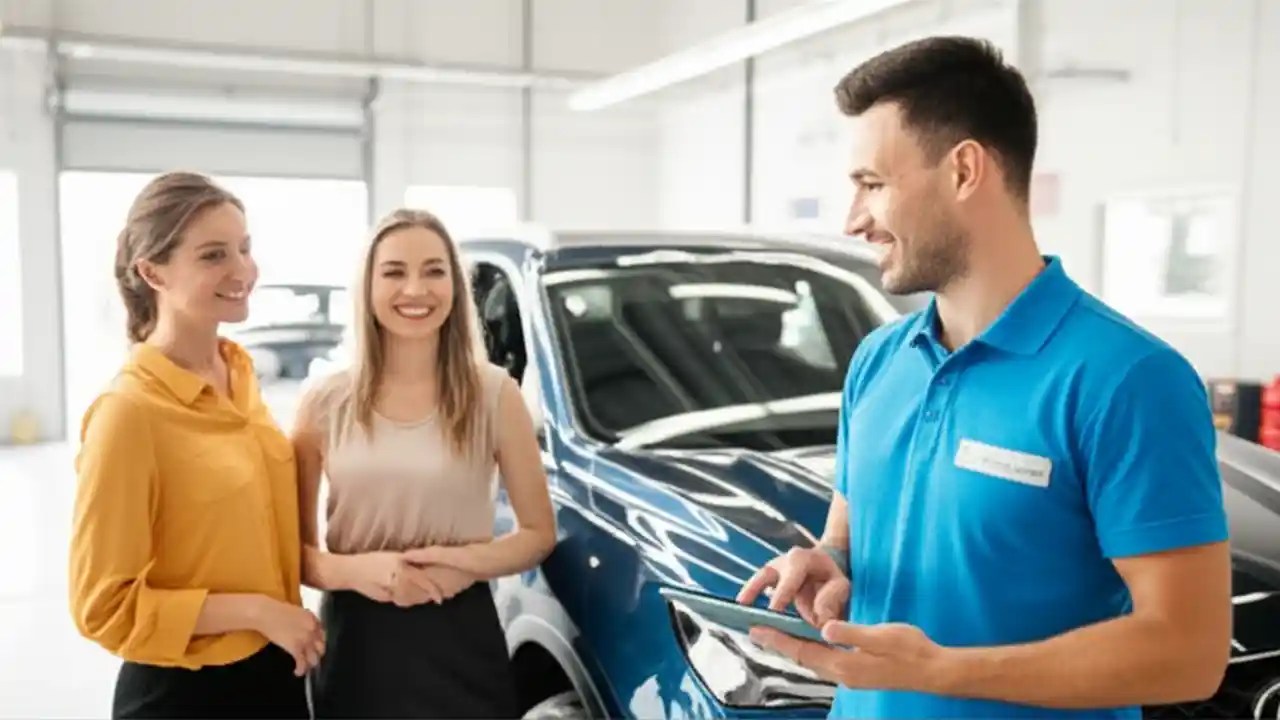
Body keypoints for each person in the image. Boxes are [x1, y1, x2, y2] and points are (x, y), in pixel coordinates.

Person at [737, 36, 1231, 719]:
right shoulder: (878, 361)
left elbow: (1189, 653)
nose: (854, 221)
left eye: (873, 186)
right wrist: (826, 565)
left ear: (965, 170)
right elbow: (847, 540)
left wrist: (945, 673)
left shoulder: (1130, 380)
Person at [68, 171, 321, 719]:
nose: (242, 271)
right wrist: (258, 611)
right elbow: (104, 608)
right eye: (213, 256)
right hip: (186, 695)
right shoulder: (129, 414)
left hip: (275, 677)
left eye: (245, 249)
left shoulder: (240, 376)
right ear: (151, 271)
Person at [291, 208, 556, 718]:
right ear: (367, 286)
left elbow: (537, 534)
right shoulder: (324, 401)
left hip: (460, 633)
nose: (416, 289)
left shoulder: (495, 395)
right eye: (394, 272)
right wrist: (368, 572)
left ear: (455, 285)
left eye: (434, 270)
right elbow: (297, 556)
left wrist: (457, 562)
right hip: (358, 642)